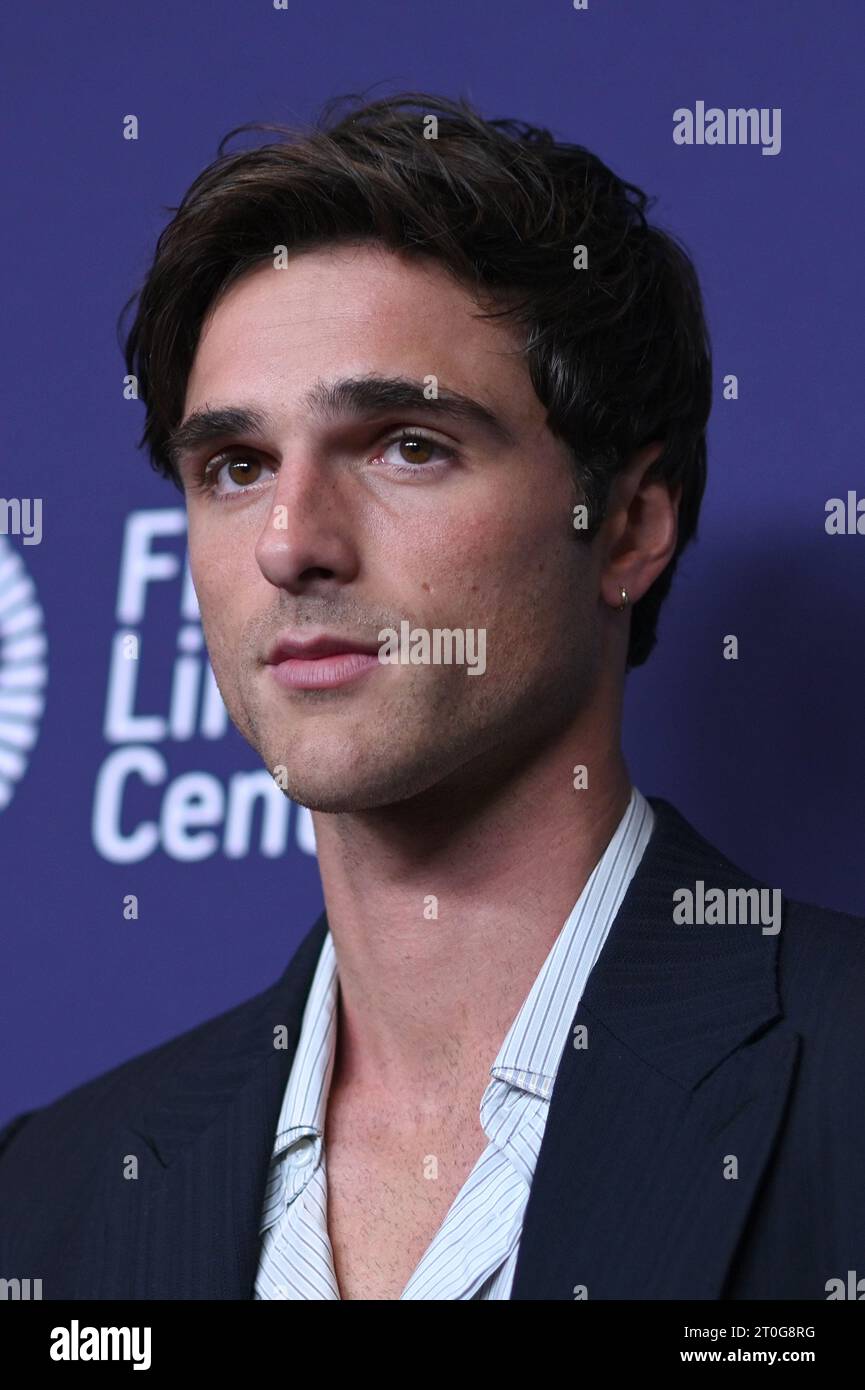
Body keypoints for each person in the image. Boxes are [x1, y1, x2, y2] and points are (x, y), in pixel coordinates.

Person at [1, 91, 862, 1301]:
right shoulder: (48, 1199)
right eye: (235, 467)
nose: (291, 543)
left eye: (407, 443)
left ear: (625, 526)